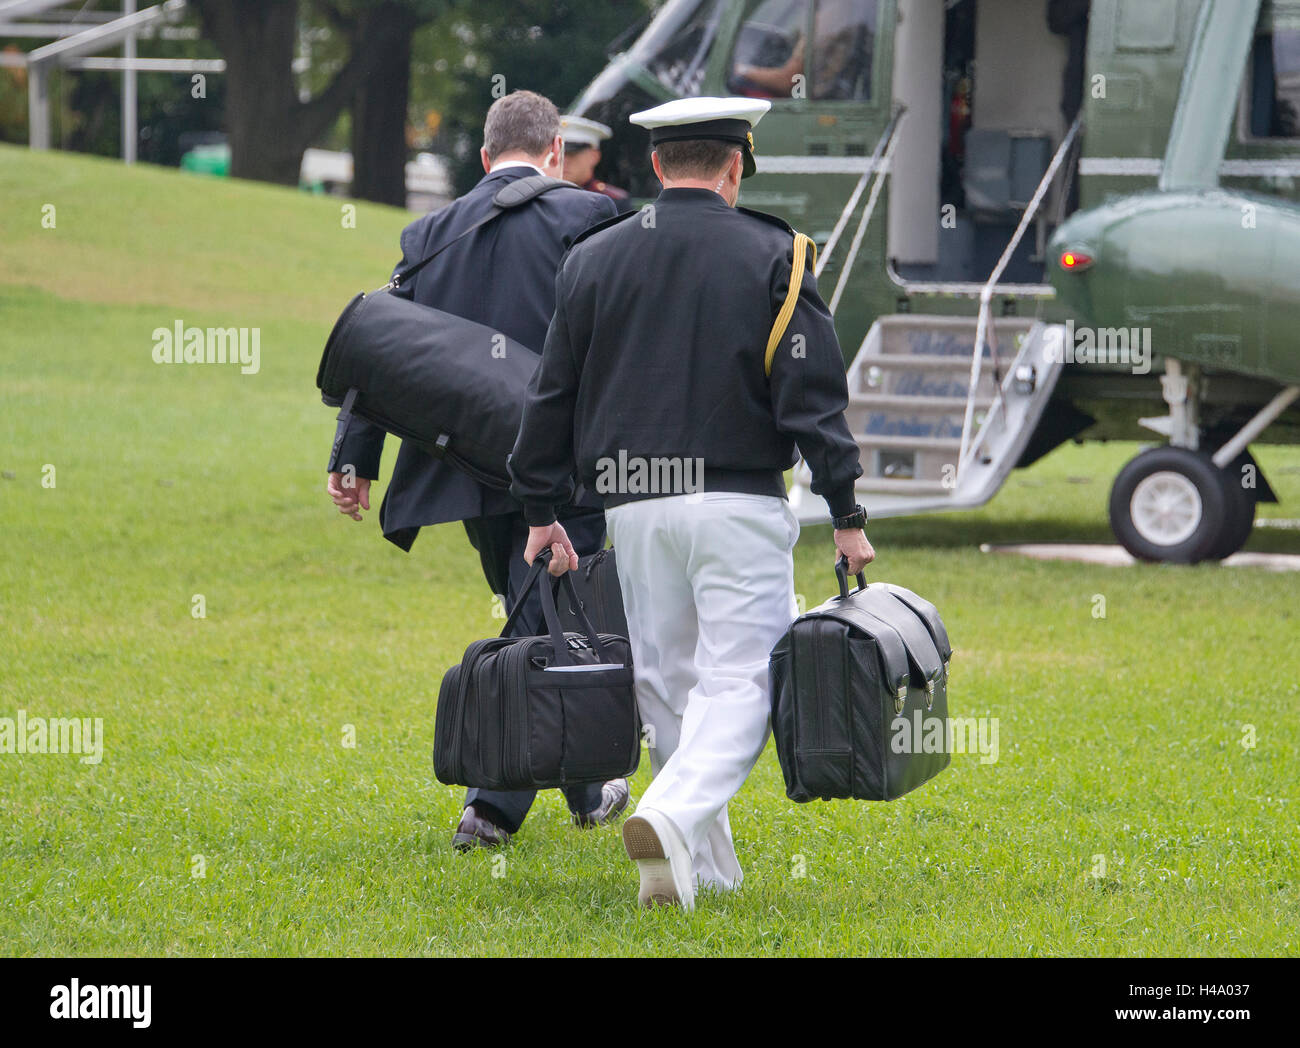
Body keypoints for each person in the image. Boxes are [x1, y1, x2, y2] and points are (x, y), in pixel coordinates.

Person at [506, 96, 874, 910]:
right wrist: (846, 514)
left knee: (670, 685)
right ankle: (669, 812)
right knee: (746, 680)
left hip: (633, 507)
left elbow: (550, 395)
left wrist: (539, 506)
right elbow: (813, 399)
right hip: (735, 502)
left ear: (656, 167)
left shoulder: (593, 257)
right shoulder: (780, 252)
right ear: (736, 167)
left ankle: (704, 870)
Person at [325, 90, 629, 851]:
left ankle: (587, 787)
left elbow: (388, 352)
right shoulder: (586, 217)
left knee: (543, 613)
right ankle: (492, 805)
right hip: (561, 468)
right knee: (552, 618)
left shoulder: (431, 232)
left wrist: (354, 457)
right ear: (556, 151)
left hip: (467, 469)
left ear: (486, 157)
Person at [560, 115, 633, 212]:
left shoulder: (614, 202)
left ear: (594, 156)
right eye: (559, 153)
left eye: (572, 154)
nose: (564, 160)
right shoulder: (544, 197)